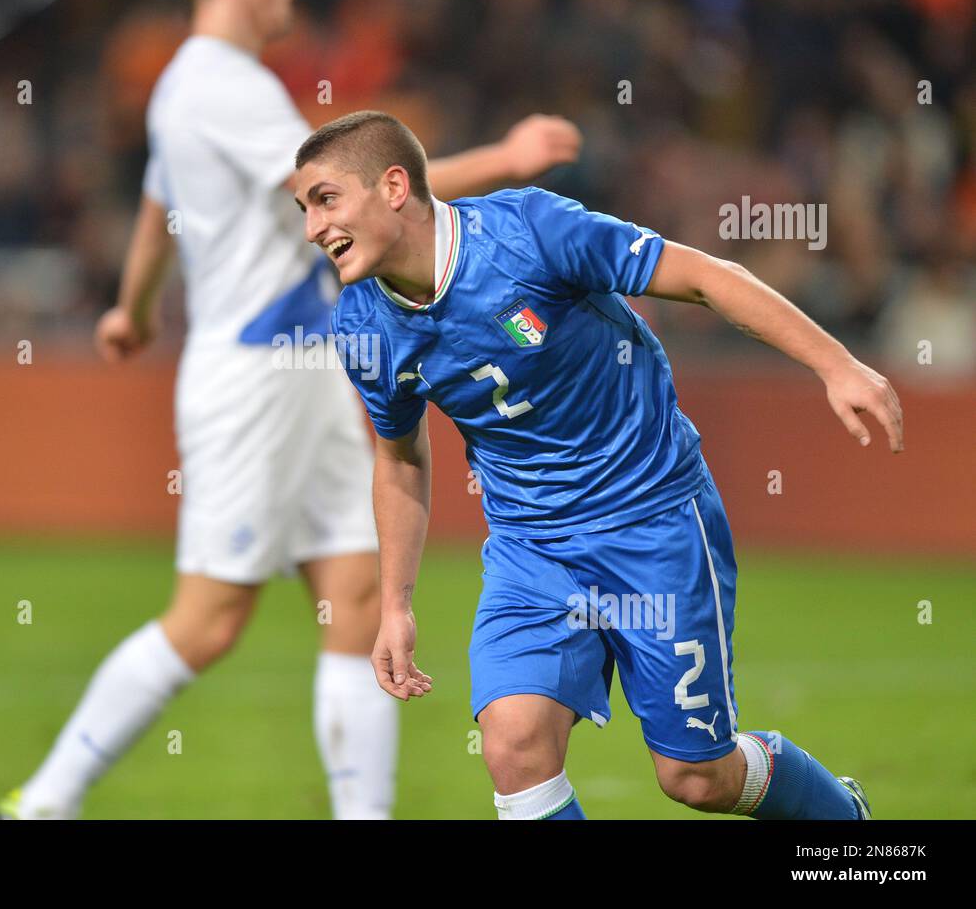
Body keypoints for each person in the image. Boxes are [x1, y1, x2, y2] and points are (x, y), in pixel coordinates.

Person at [0, 0, 581, 820]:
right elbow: (341, 190)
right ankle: (43, 803)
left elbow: (158, 206)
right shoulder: (220, 82)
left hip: (304, 368)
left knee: (354, 597)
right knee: (209, 618)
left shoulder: (200, 84)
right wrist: (507, 160)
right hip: (257, 376)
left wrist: (131, 308)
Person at [296, 109, 902, 820]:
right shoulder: (361, 323)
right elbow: (399, 457)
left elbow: (706, 275)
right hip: (532, 549)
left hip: (654, 522)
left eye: (325, 199)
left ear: (394, 185)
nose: (311, 227)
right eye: (303, 208)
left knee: (696, 777)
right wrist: (395, 601)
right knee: (512, 744)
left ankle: (845, 821)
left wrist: (836, 365)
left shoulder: (530, 233)